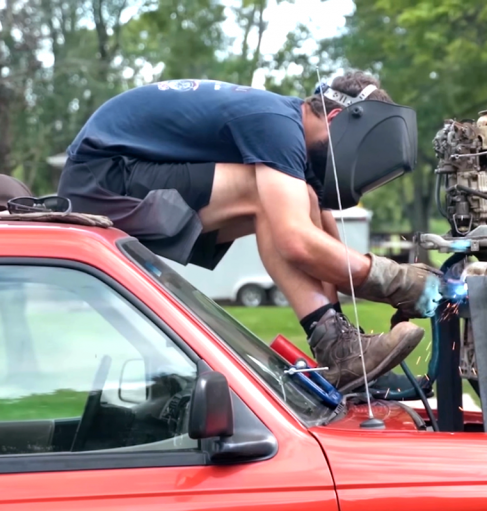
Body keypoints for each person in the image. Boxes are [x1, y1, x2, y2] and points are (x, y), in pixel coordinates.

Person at [56, 73, 439, 393]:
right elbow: (296, 241)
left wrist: (360, 338)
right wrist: (397, 281)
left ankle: (339, 347)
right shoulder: (276, 122)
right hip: (102, 180)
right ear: (338, 117)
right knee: (268, 203)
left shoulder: (286, 136)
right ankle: (337, 347)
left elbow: (323, 241)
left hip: (123, 178)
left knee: (286, 203)